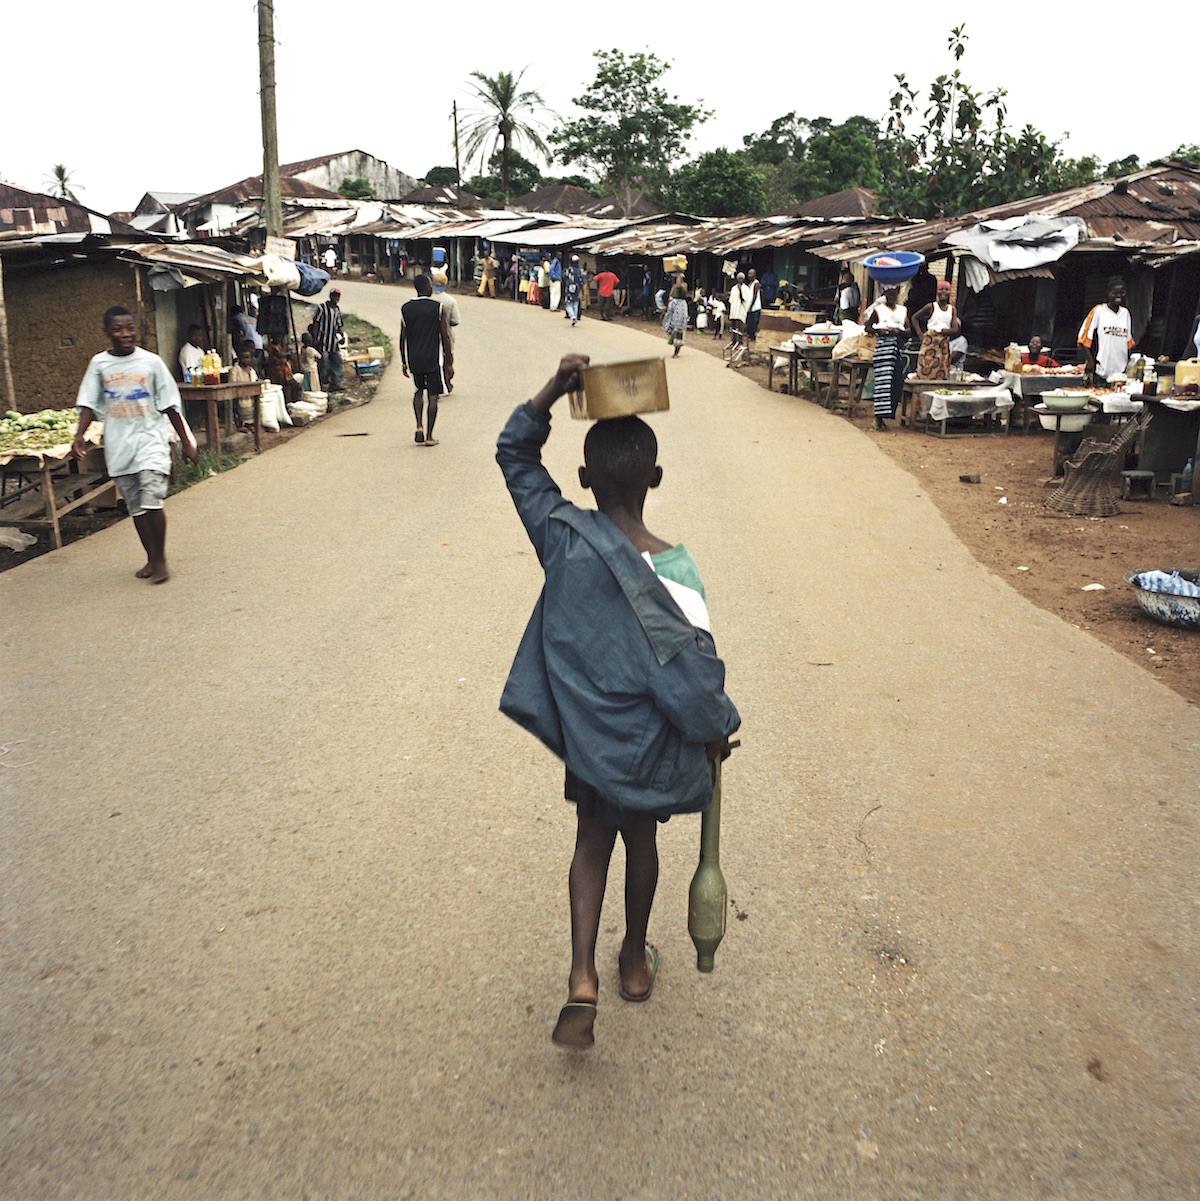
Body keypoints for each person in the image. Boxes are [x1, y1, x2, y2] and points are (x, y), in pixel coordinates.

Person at [495, 355, 740, 1049]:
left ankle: (581, 975)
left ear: (583, 481)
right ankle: (633, 960)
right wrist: (716, 733)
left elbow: (513, 453)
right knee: (642, 840)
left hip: (591, 743)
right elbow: (697, 682)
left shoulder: (564, 539)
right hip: (651, 749)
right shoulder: (681, 571)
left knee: (589, 843)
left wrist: (553, 387)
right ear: (654, 479)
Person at [71, 305, 198, 584]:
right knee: (136, 507)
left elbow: (170, 405)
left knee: (152, 499)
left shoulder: (150, 363)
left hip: (150, 440)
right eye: (118, 329)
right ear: (107, 332)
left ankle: (162, 559)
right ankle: (151, 557)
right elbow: (90, 403)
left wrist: (187, 442)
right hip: (119, 445)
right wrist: (79, 435)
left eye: (130, 328)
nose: (125, 334)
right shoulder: (99, 364)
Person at [399, 273, 454, 446]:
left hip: (414, 358)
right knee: (432, 396)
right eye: (430, 285)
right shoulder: (438, 308)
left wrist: (403, 361)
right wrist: (448, 361)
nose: (432, 288)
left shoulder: (406, 308)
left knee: (417, 392)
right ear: (425, 288)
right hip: (432, 359)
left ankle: (419, 426)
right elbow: (445, 336)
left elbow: (402, 337)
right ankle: (430, 436)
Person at [864, 284, 908, 430]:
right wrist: (879, 330)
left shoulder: (902, 311)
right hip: (882, 350)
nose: (891, 297)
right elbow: (868, 327)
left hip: (895, 349)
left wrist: (899, 331)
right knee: (882, 384)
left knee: (896, 382)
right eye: (889, 294)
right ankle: (877, 419)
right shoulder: (878, 310)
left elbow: (908, 331)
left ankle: (886, 415)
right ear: (884, 294)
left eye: (894, 294)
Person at [1078, 277, 1135, 381]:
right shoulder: (1099, 311)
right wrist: (1090, 361)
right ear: (1108, 293)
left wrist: (1129, 363)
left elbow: (1128, 342)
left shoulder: (1126, 313)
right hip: (1101, 370)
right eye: (1114, 293)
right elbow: (1083, 338)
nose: (1118, 296)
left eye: (1122, 292)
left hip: (1121, 372)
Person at [910, 280, 961, 380]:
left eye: (947, 289)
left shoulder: (952, 310)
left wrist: (943, 332)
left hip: (943, 344)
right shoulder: (931, 306)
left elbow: (955, 329)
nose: (944, 292)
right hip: (929, 342)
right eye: (941, 289)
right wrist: (920, 334)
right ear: (937, 291)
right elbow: (914, 317)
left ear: (950, 292)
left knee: (941, 371)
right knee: (925, 368)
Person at [312, 288, 345, 393]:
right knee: (324, 365)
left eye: (337, 296)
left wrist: (342, 335)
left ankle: (335, 384)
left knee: (338, 363)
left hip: (333, 343)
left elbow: (339, 324)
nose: (336, 298)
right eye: (334, 296)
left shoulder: (337, 309)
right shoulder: (322, 308)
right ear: (330, 296)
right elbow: (316, 323)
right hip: (323, 342)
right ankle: (320, 385)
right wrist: (315, 337)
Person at [436, 287, 461, 393]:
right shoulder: (450, 300)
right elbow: (455, 320)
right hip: (446, 333)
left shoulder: (428, 299)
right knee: (448, 359)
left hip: (429, 335)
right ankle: (446, 381)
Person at [662, 284, 688, 358]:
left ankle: (675, 352)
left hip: (678, 323)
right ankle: (675, 351)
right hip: (675, 321)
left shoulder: (680, 302)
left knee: (677, 335)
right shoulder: (677, 302)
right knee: (676, 335)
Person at [563, 256, 586, 326]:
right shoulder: (580, 271)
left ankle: (572, 316)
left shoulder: (568, 270)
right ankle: (575, 319)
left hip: (569, 288)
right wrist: (583, 293)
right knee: (575, 304)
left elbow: (565, 279)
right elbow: (582, 283)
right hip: (577, 288)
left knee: (568, 304)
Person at [745, 269, 763, 346]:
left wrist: (751, 307)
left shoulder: (756, 283)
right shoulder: (750, 283)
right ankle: (750, 335)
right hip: (750, 307)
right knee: (749, 322)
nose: (749, 275)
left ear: (754, 275)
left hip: (755, 307)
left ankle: (752, 337)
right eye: (749, 273)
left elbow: (755, 296)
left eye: (751, 274)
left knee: (753, 322)